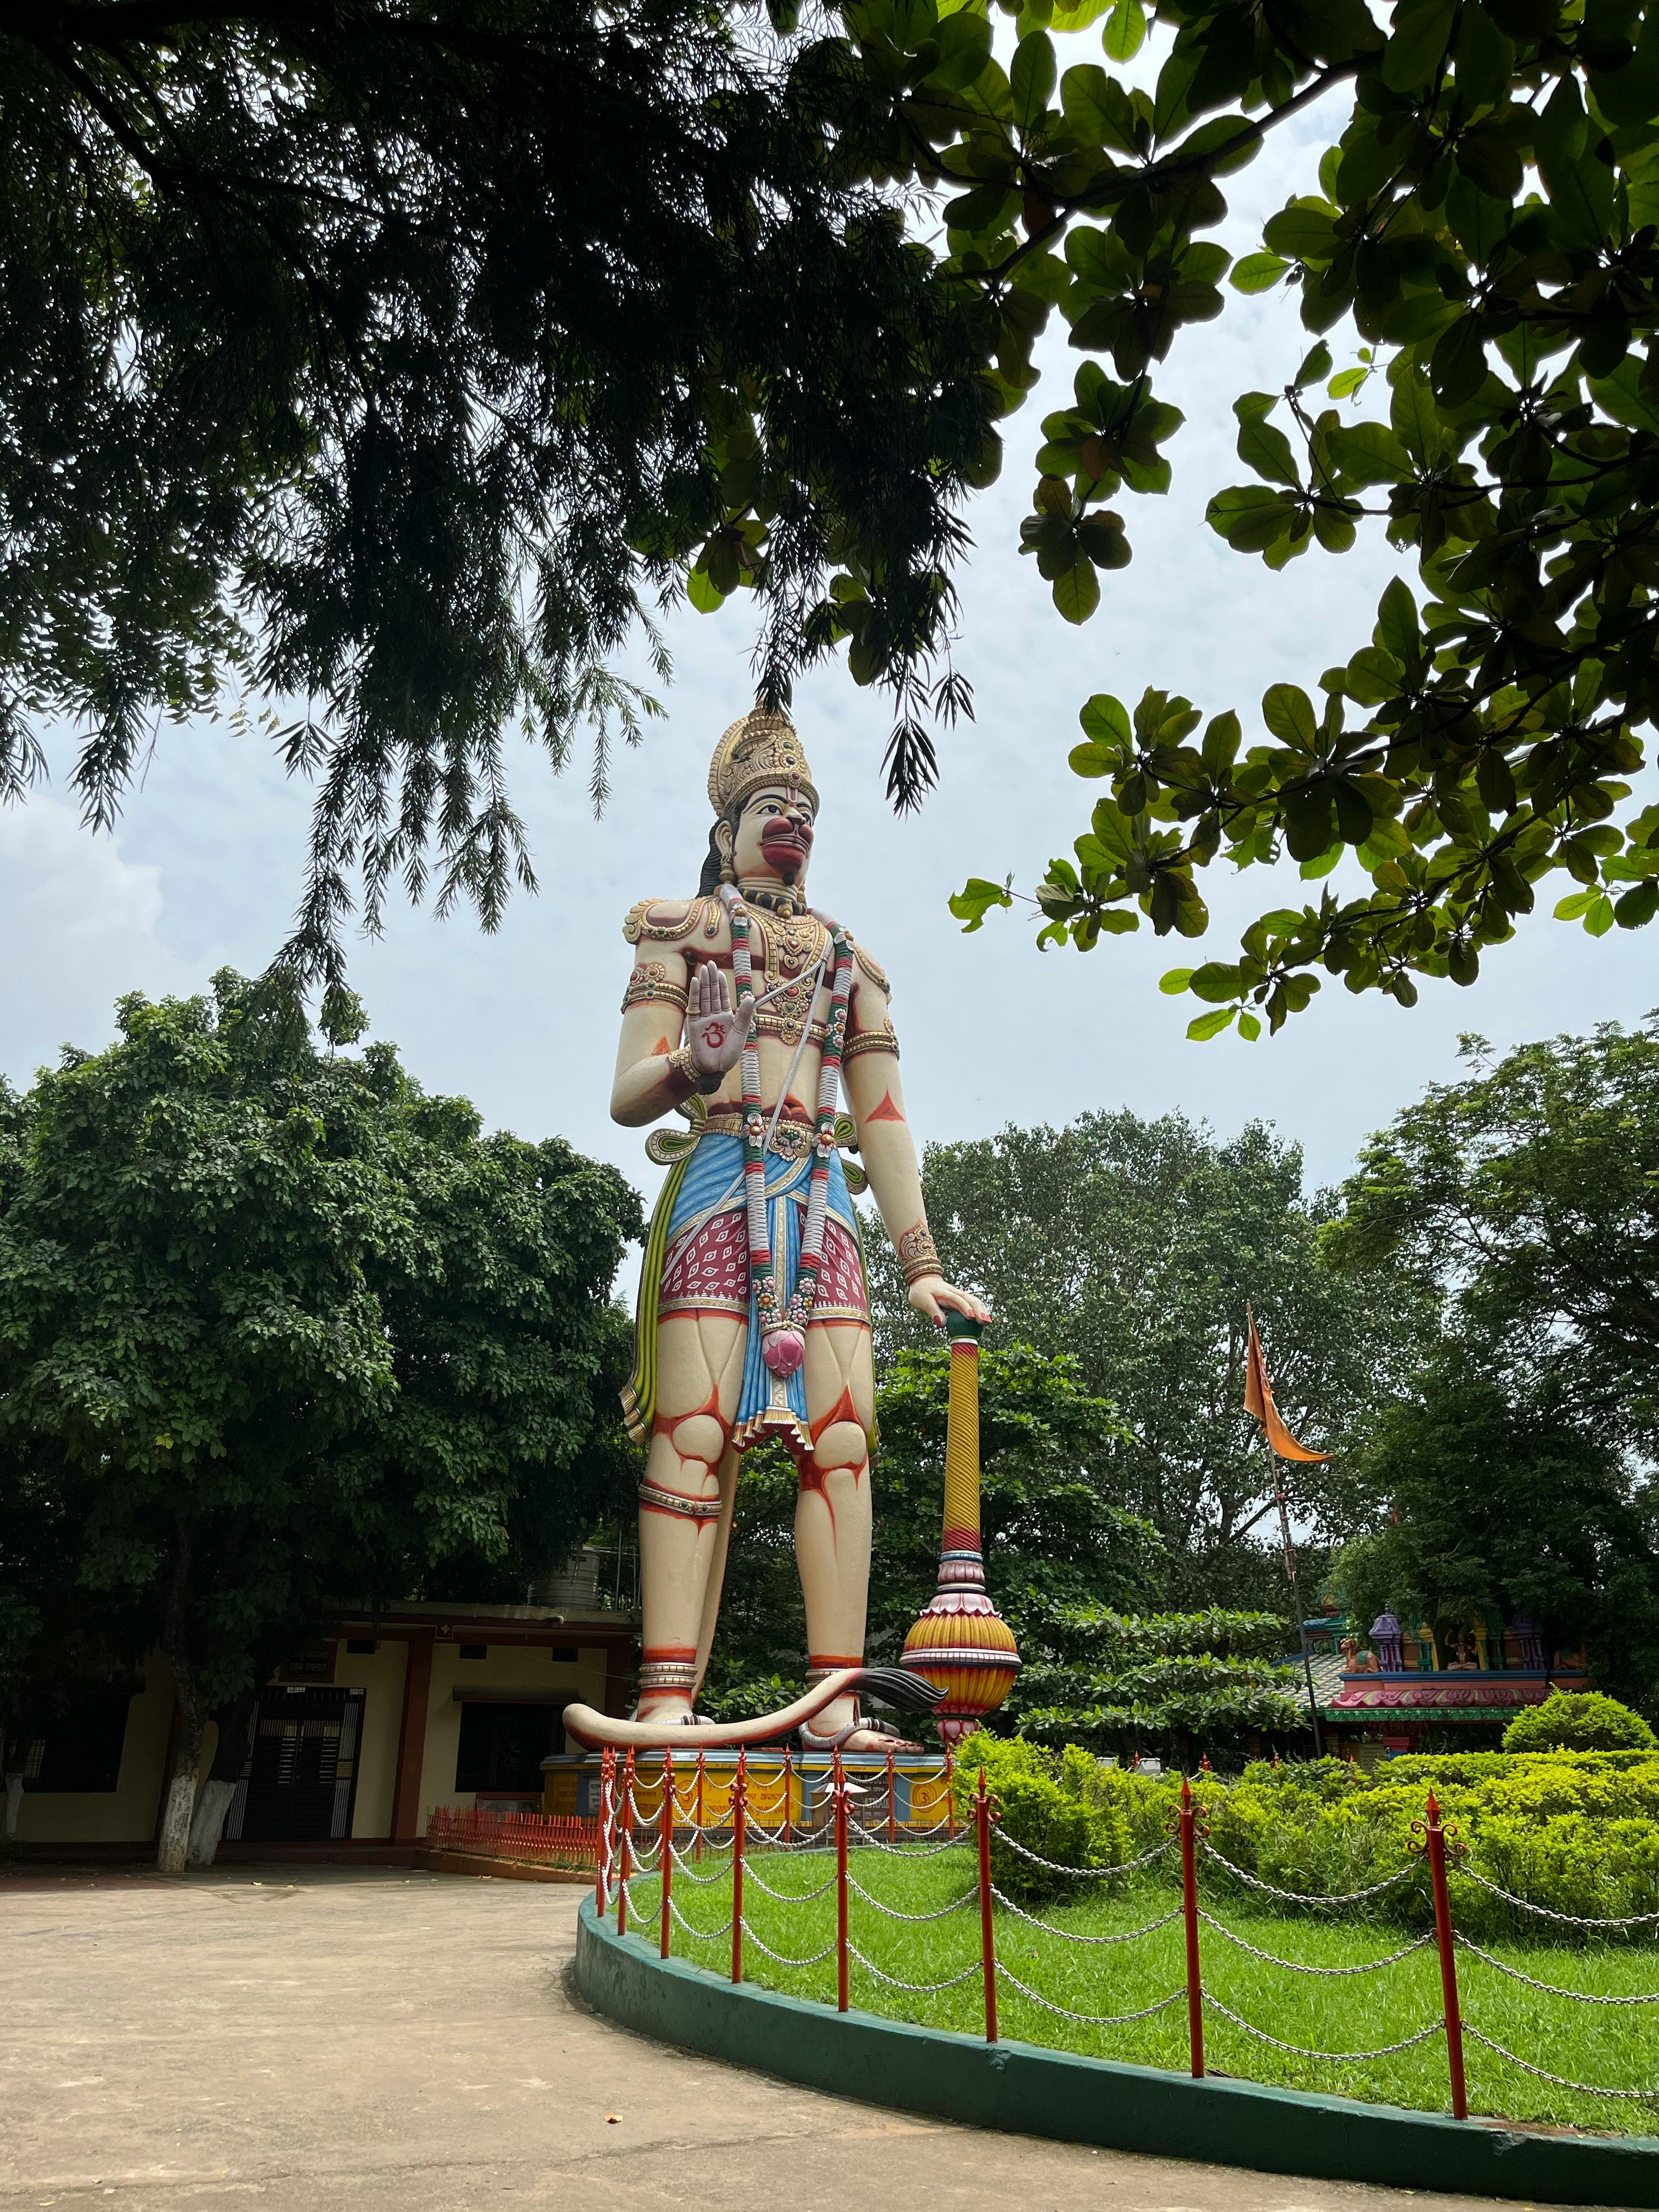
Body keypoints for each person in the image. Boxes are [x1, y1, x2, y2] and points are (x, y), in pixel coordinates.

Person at [611, 707, 989, 1753]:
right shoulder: (677, 933)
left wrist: (923, 1266)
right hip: (717, 1183)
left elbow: (885, 1115)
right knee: (690, 1441)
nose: (794, 824)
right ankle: (667, 1700)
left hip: (822, 1204)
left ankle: (836, 1706)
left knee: (845, 1445)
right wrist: (695, 1058)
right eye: (773, 806)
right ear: (730, 823)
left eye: (807, 812)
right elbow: (627, 1093)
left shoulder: (849, 960)